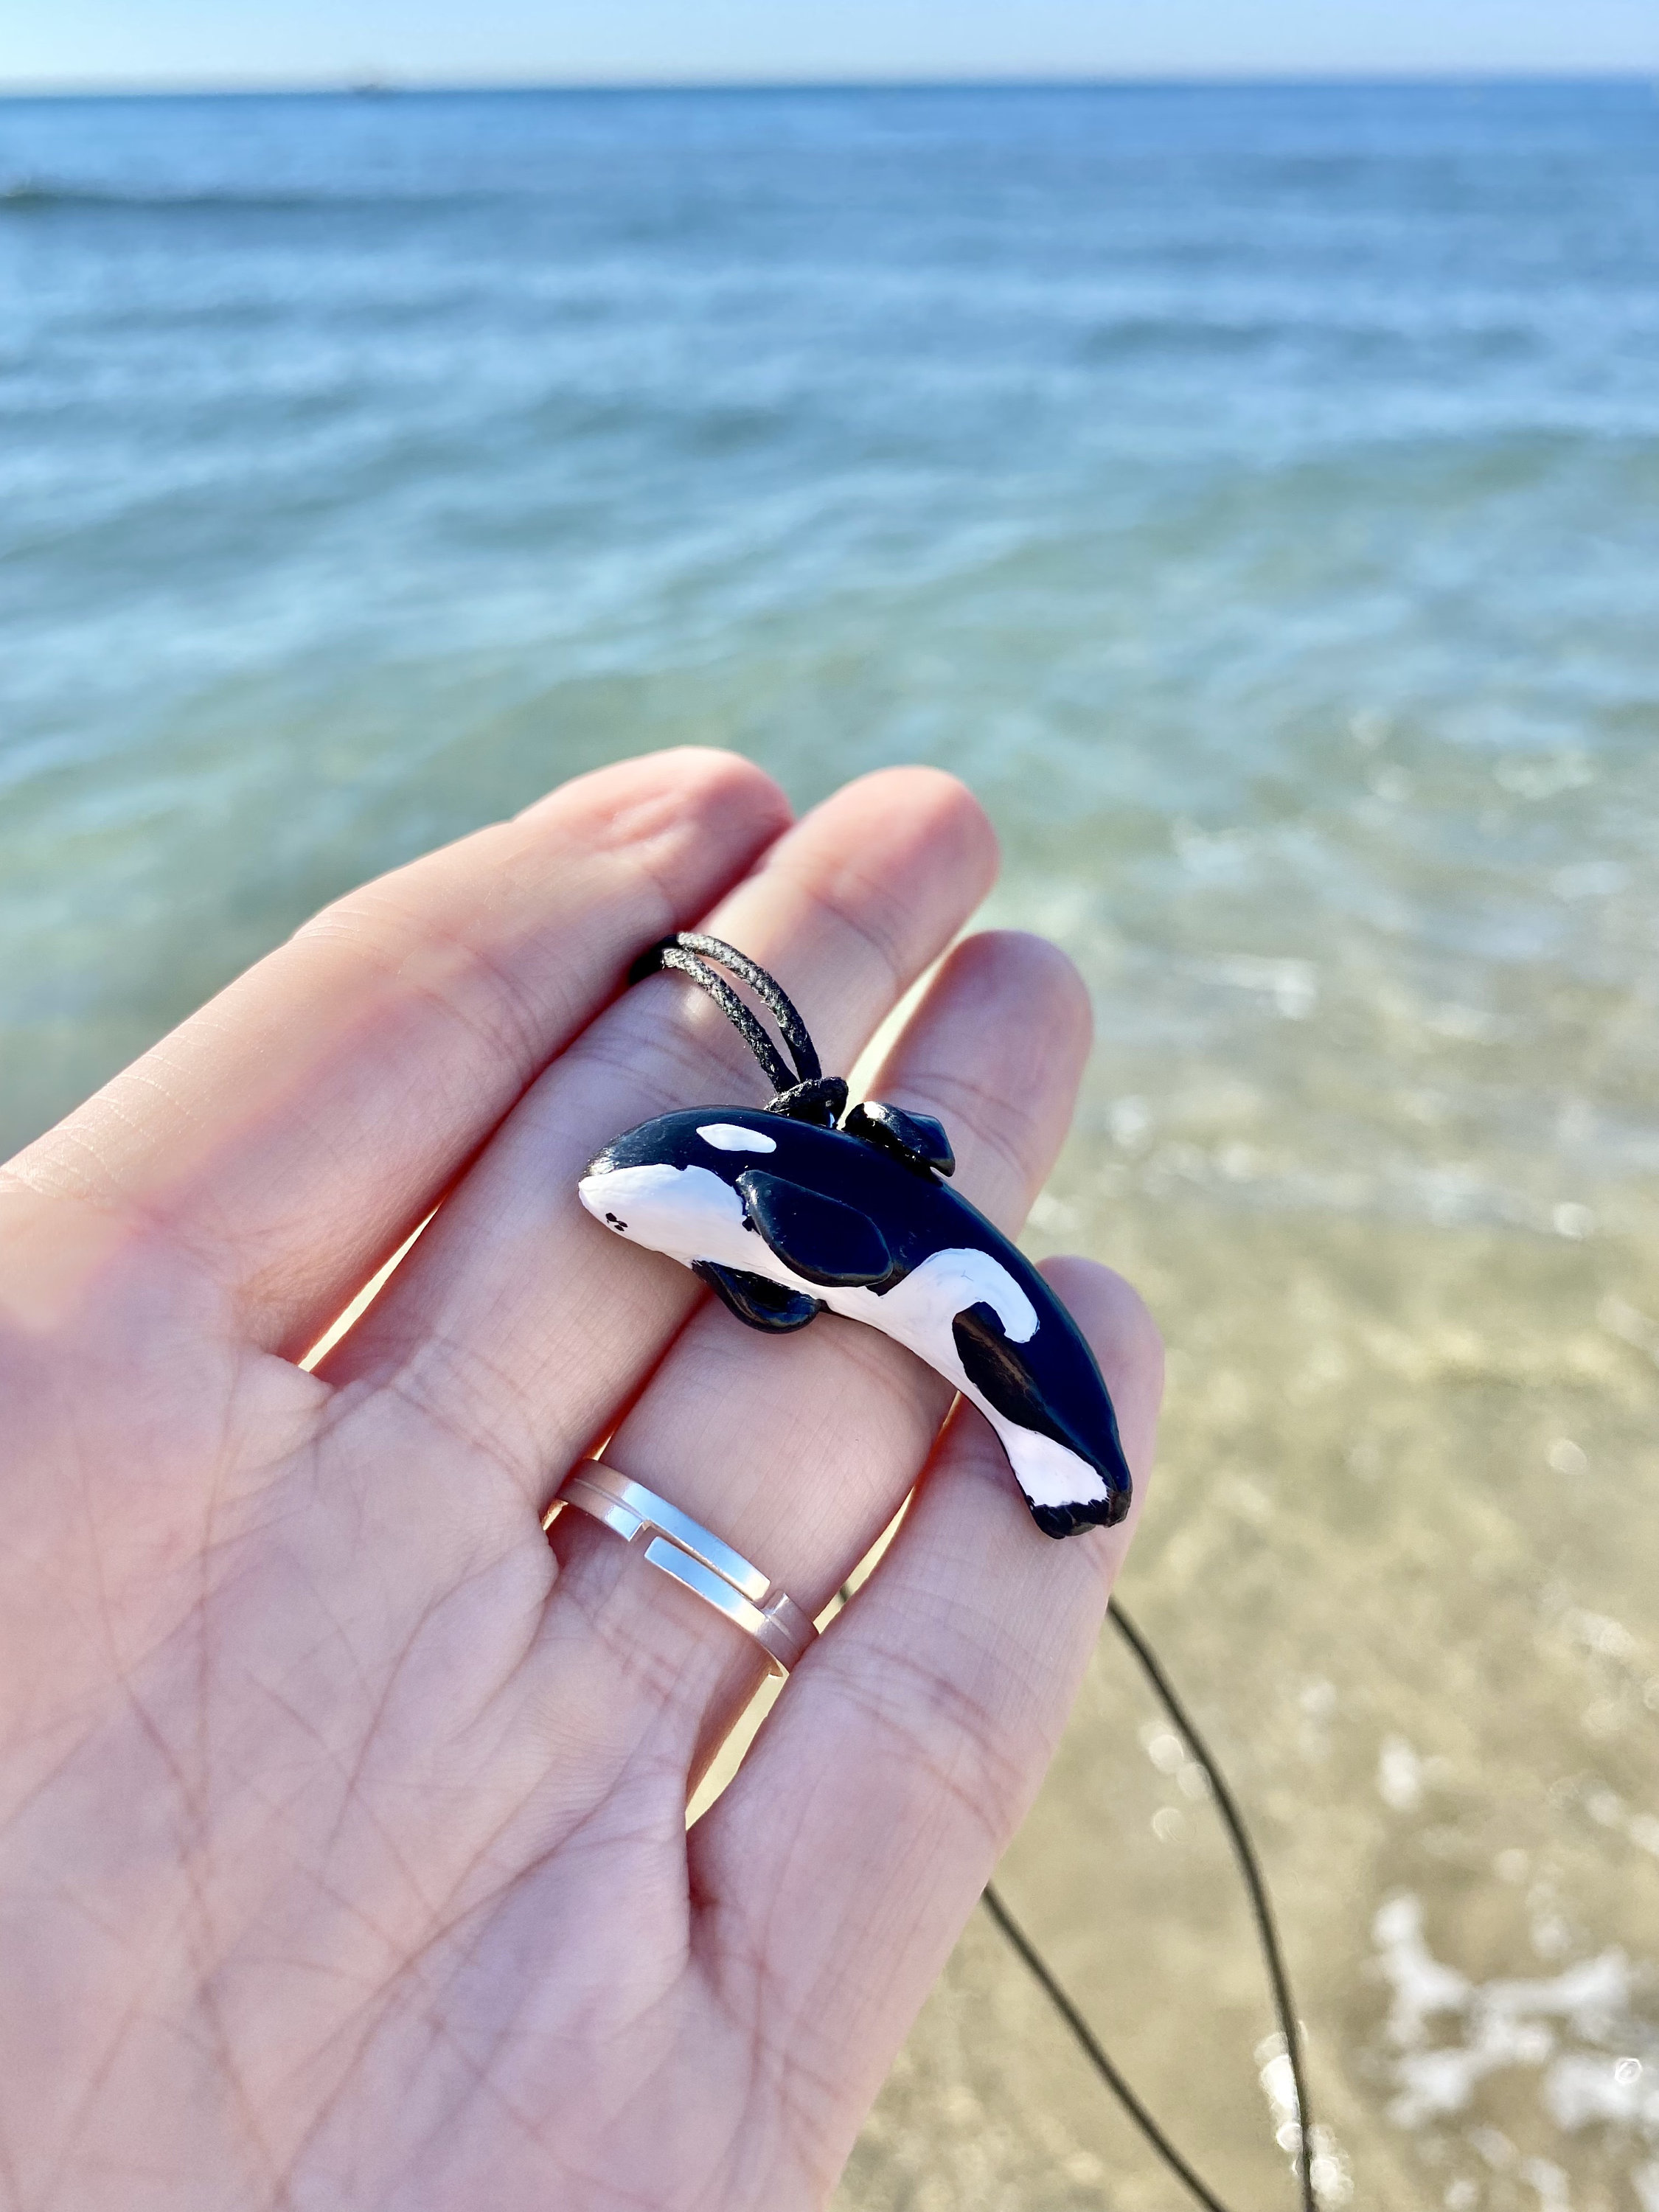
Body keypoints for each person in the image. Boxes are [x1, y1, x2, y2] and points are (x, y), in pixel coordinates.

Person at [0, 749, 1162, 2210]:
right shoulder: (714, 1194)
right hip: (842, 1226)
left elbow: (821, 1262)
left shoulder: (762, 1196)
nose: (609, 1214)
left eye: (641, 1210)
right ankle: (1060, 1460)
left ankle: (1062, 1456)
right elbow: (767, 1276)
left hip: (924, 1273)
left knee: (1015, 1375)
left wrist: (800, 1259)